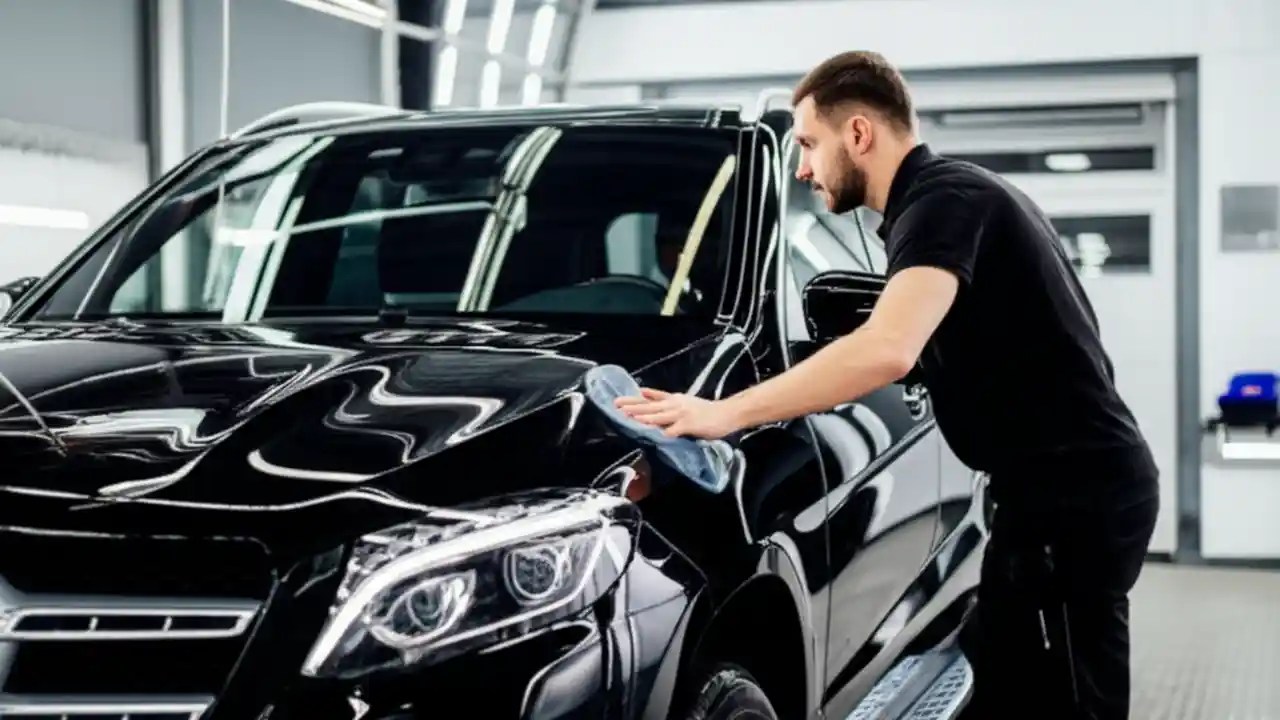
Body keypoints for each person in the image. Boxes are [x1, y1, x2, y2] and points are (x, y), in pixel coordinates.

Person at [615, 50, 1159, 719]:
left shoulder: (945, 202)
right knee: (1006, 675)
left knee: (1067, 700)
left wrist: (723, 413)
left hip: (1075, 503)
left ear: (860, 134)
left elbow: (887, 350)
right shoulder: (955, 200)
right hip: (1049, 499)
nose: (803, 166)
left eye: (809, 142)